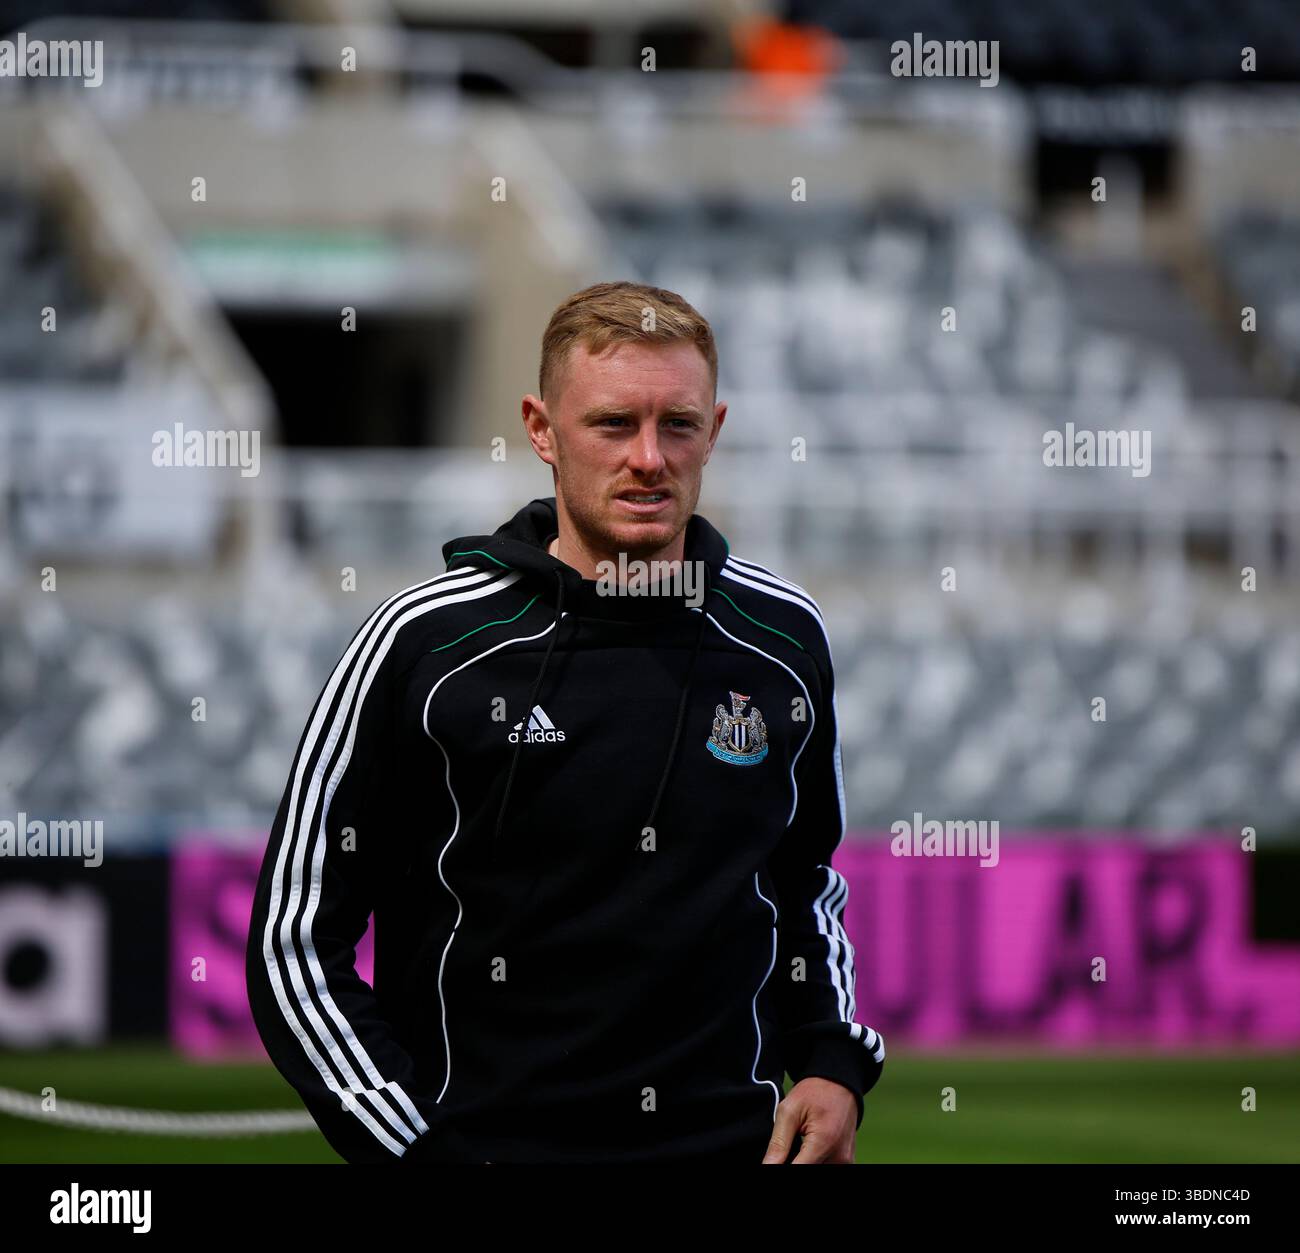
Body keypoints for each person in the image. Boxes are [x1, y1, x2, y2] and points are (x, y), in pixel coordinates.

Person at [245, 280, 885, 1164]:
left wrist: (828, 1056)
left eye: (680, 424)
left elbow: (804, 881)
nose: (650, 458)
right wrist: (419, 1155)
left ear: (717, 430)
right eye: (614, 424)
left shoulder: (781, 638)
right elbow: (294, 945)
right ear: (542, 429)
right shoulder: (422, 646)